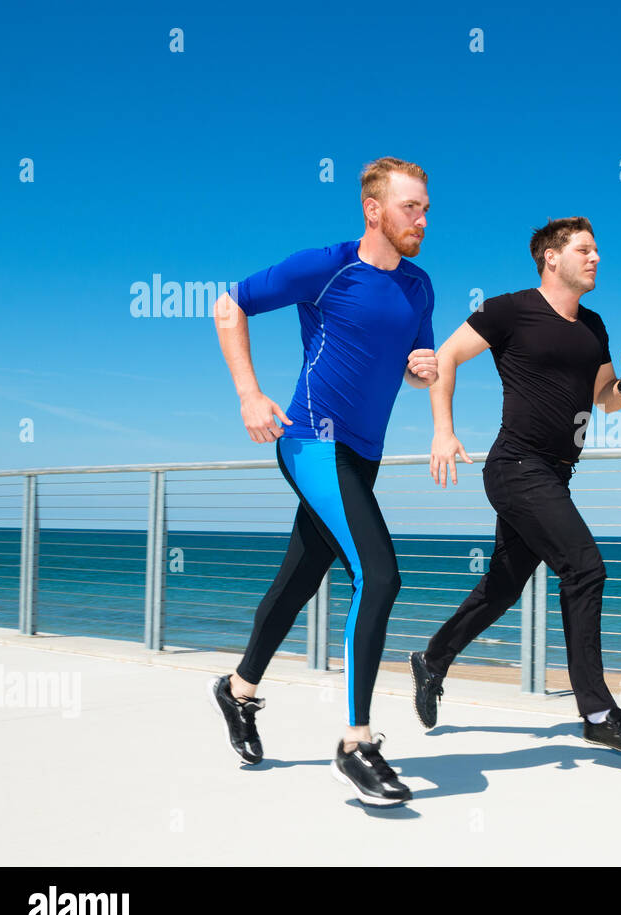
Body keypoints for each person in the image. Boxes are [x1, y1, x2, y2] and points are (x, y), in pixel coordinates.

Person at [207, 157, 438, 805]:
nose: (422, 218)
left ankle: (237, 689)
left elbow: (413, 367)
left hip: (364, 453)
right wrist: (249, 394)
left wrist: (422, 369)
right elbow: (230, 304)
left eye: (426, 208)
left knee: (302, 575)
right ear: (374, 210)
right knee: (380, 574)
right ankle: (356, 744)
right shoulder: (327, 266)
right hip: (311, 440)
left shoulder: (419, 287)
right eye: (410, 207)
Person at [409, 217, 621, 753]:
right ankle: (596, 713)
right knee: (584, 567)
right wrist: (443, 430)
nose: (596, 258)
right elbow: (448, 355)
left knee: (502, 587)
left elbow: (602, 397)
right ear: (551, 257)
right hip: (516, 467)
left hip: (555, 473)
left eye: (598, 250)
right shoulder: (509, 309)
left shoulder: (593, 325)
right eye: (585, 249)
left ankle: (432, 659)